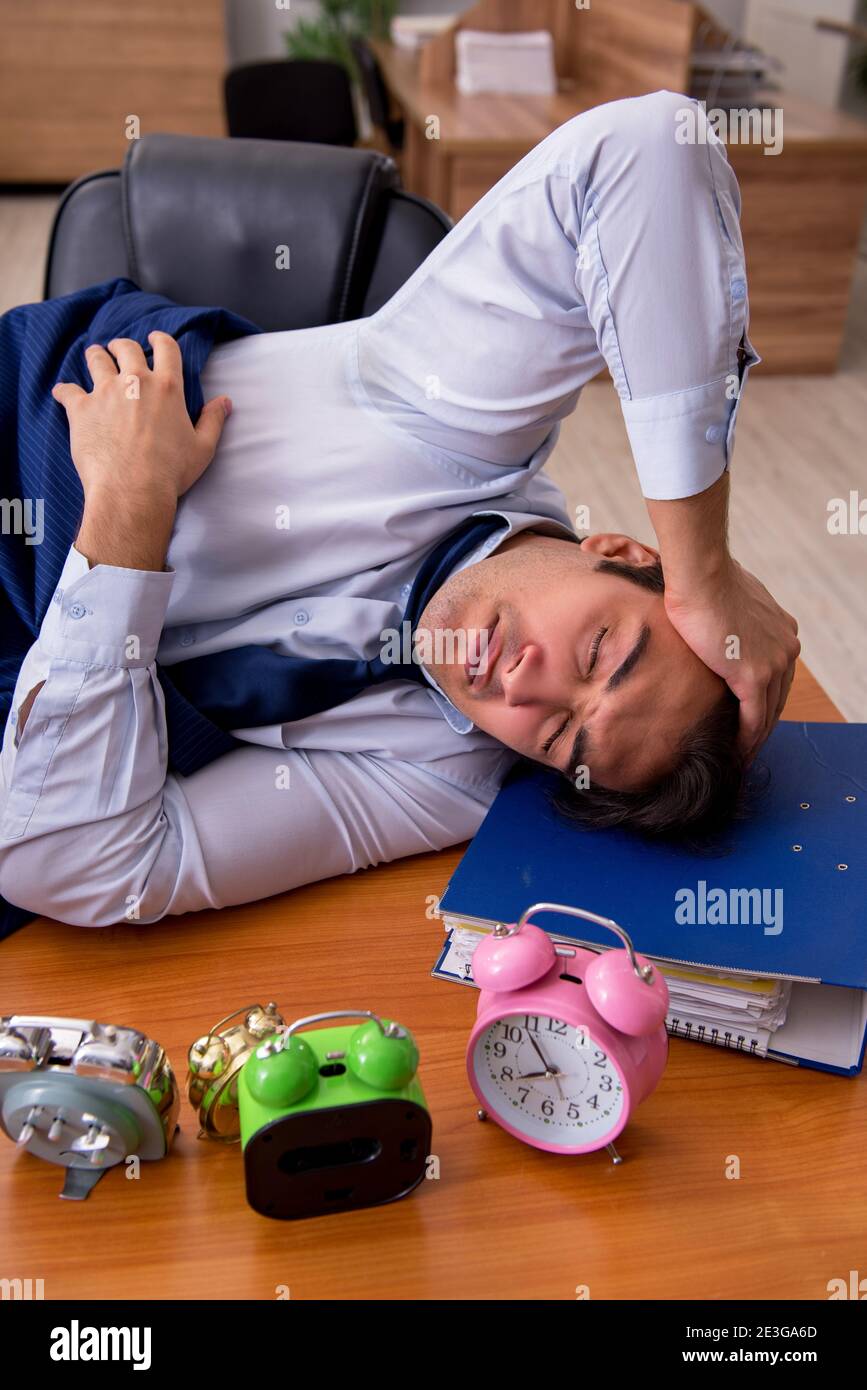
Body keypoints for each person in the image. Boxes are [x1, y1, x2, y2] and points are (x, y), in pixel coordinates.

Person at [0, 90, 799, 929]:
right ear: (622, 553)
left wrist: (127, 515)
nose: (527, 686)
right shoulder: (447, 418)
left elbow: (78, 867)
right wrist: (704, 574)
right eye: (598, 651)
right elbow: (648, 146)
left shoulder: (448, 775)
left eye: (560, 737)